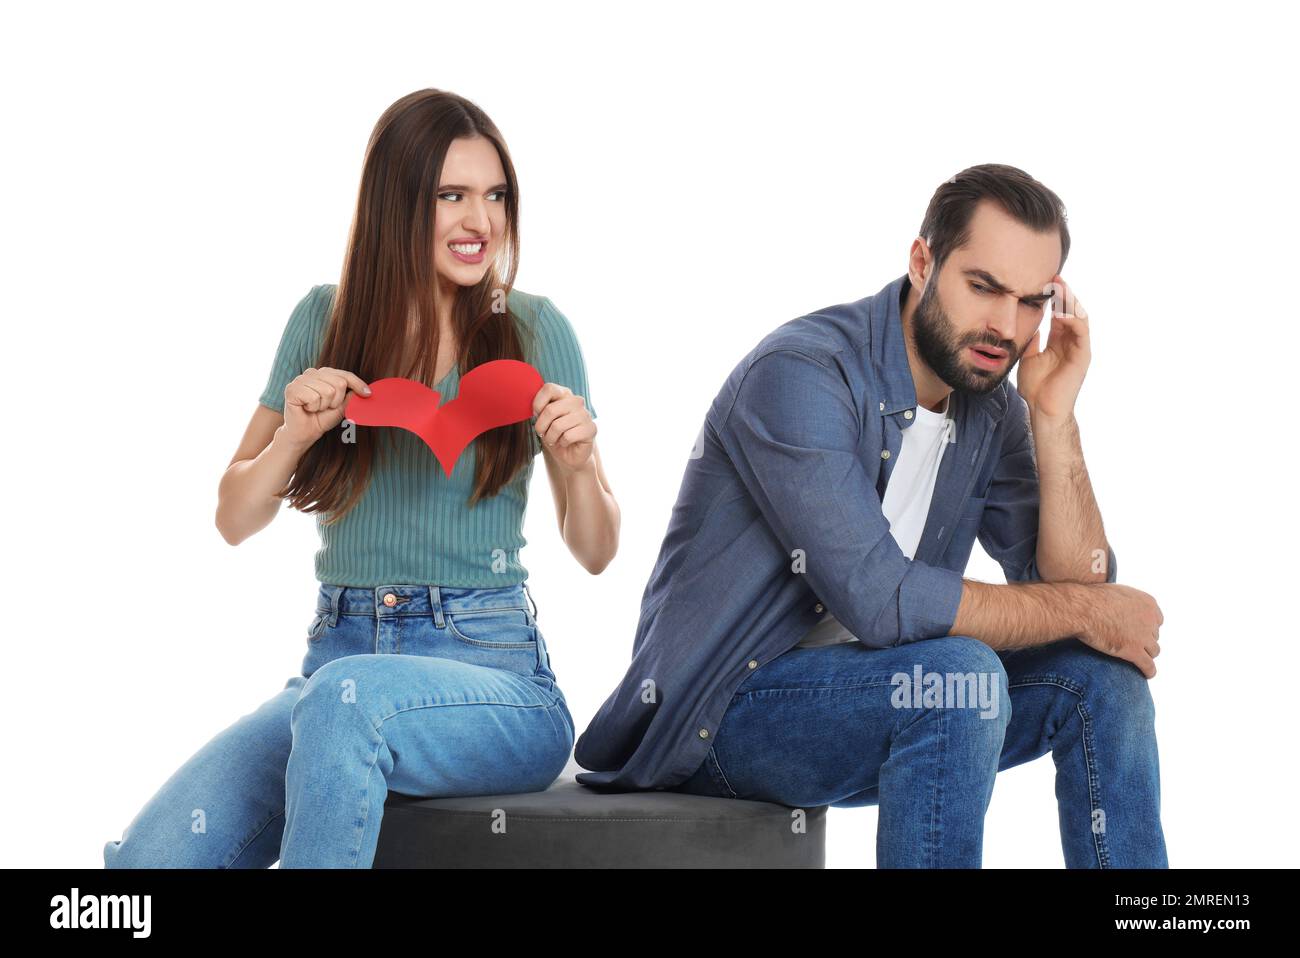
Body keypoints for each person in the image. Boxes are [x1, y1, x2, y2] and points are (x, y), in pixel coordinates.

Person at [573, 163, 1166, 868]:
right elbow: (884, 600)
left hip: (874, 694)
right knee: (961, 679)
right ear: (923, 261)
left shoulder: (992, 405)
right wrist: (1083, 611)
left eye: (1032, 301)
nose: (1006, 327)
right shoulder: (801, 372)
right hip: (718, 714)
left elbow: (1075, 582)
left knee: (1104, 683)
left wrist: (1053, 413)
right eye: (983, 287)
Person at [104, 89, 618, 868]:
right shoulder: (324, 320)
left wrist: (580, 469)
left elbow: (596, 549)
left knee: (350, 707)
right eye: (451, 196)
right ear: (396, 202)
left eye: (495, 196)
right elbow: (233, 516)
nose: (480, 221)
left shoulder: (535, 331)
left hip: (491, 676)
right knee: (148, 863)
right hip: (335, 667)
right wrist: (293, 436)